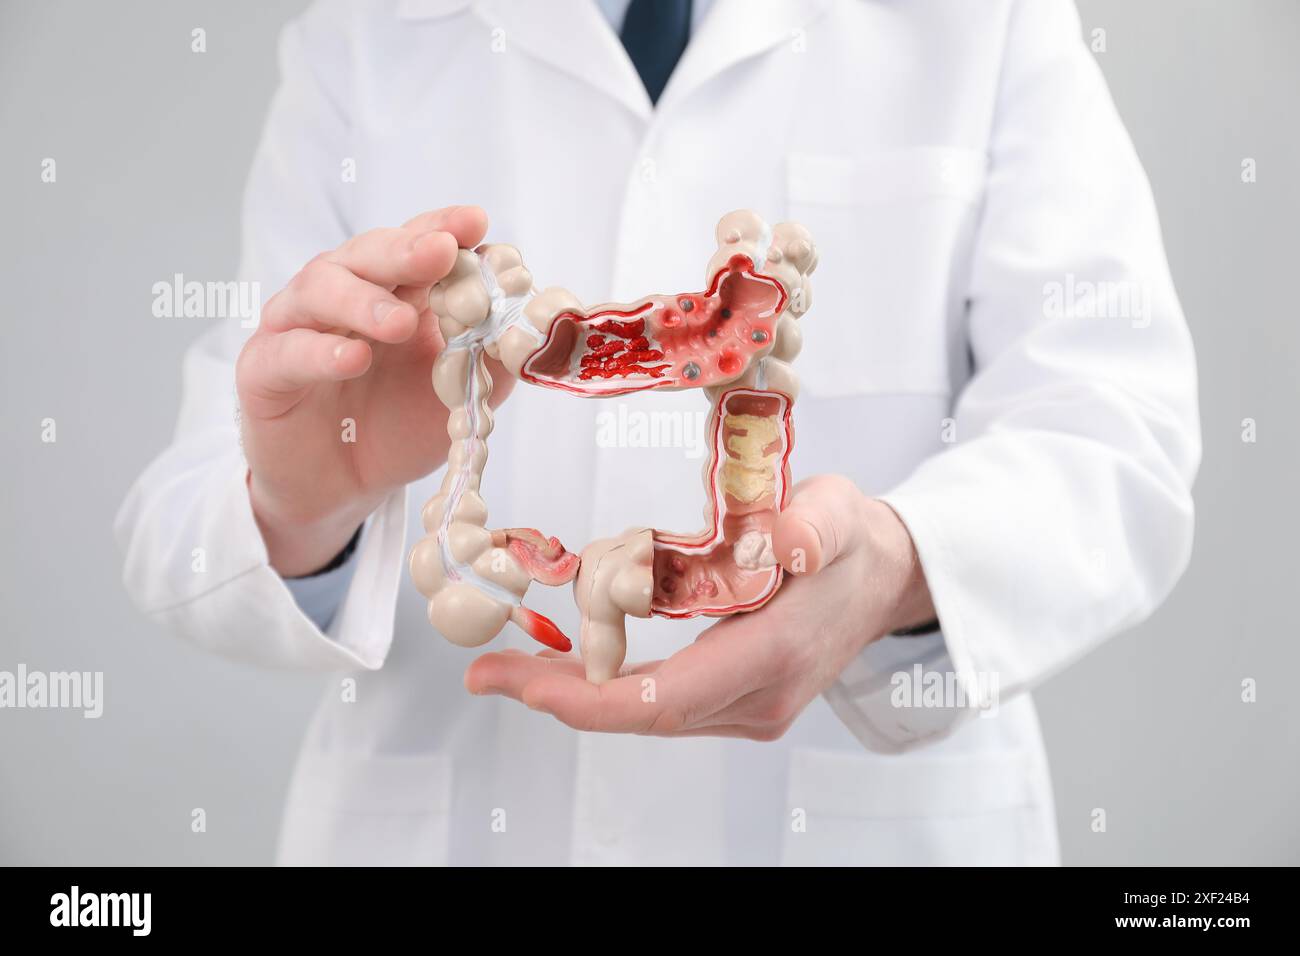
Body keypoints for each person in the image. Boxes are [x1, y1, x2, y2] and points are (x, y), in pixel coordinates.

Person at [115, 0, 1200, 865]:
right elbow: (179, 527)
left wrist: (893, 568)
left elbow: (1116, 429)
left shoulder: (989, 21)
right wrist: (306, 503)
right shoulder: (362, 39)